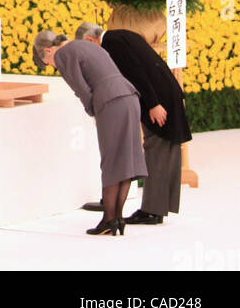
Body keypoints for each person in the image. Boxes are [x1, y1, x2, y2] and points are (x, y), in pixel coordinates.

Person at [32, 29, 147, 236]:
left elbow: (81, 88)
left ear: (48, 50)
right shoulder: (85, 45)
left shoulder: (62, 54)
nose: (52, 65)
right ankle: (118, 218)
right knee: (126, 158)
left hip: (110, 101)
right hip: (129, 95)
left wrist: (93, 109)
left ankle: (108, 220)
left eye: (47, 62)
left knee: (112, 160)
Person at [75, 22, 192, 225]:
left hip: (159, 99)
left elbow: (137, 74)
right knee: (164, 149)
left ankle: (151, 210)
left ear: (89, 40)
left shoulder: (112, 44)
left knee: (157, 148)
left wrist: (154, 104)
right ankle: (155, 208)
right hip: (164, 93)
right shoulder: (121, 35)